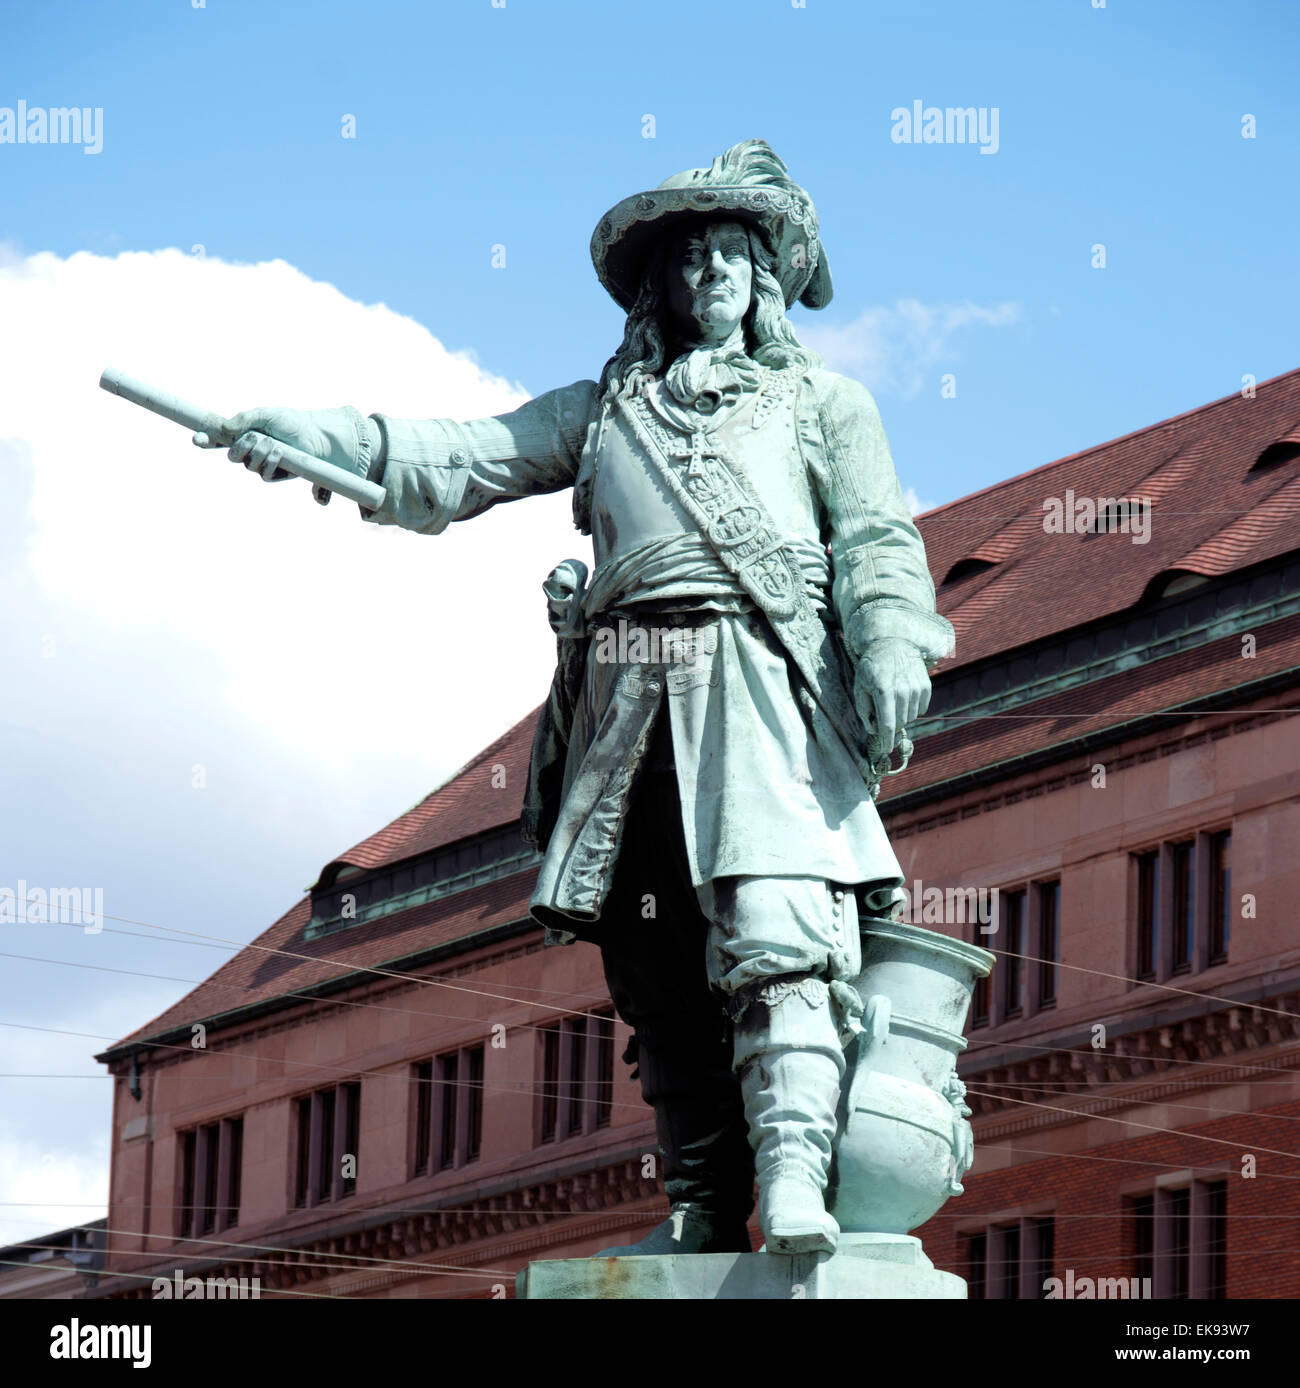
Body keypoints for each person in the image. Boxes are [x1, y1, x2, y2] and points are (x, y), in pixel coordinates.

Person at [205, 140, 955, 1257]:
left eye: (728, 258)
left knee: (779, 933)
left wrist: (893, 643)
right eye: (687, 260)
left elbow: (877, 543)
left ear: (763, 281)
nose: (707, 276)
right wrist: (318, 439)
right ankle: (703, 1198)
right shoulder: (607, 406)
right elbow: (467, 454)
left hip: (759, 689)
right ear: (659, 284)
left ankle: (795, 1174)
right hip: (628, 705)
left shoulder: (824, 402)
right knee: (655, 972)